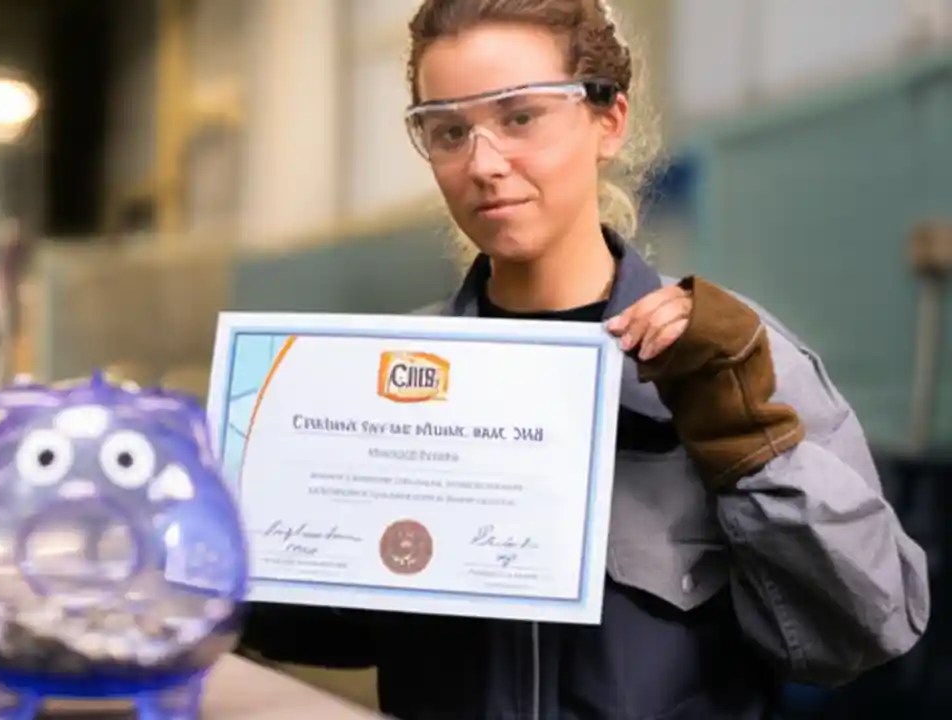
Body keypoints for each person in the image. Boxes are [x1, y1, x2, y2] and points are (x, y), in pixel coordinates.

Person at [238, 0, 931, 718]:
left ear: (609, 120)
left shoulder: (729, 359)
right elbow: (335, 624)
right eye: (448, 130)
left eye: (519, 117)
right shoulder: (391, 378)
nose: (483, 164)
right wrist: (216, 546)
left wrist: (750, 443)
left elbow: (867, 628)